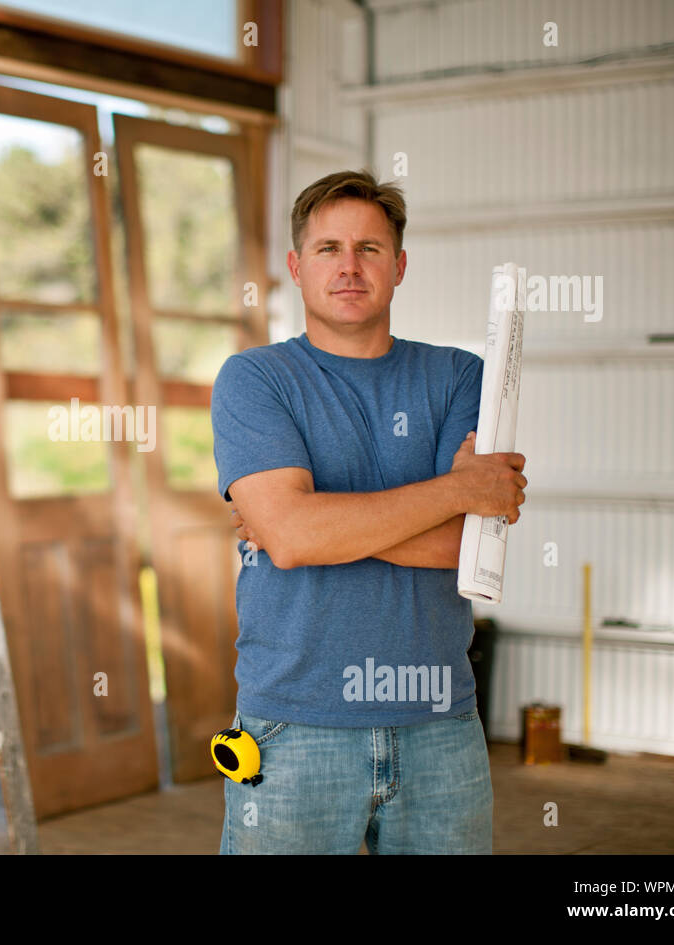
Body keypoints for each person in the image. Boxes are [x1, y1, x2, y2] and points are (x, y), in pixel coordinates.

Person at [211, 169, 527, 854]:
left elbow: (466, 547)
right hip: (294, 727)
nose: (349, 267)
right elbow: (293, 539)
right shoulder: (255, 379)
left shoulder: (456, 378)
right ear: (296, 266)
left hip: (440, 726)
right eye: (328, 249)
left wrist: (310, 522)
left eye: (369, 249)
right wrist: (454, 492)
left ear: (400, 265)